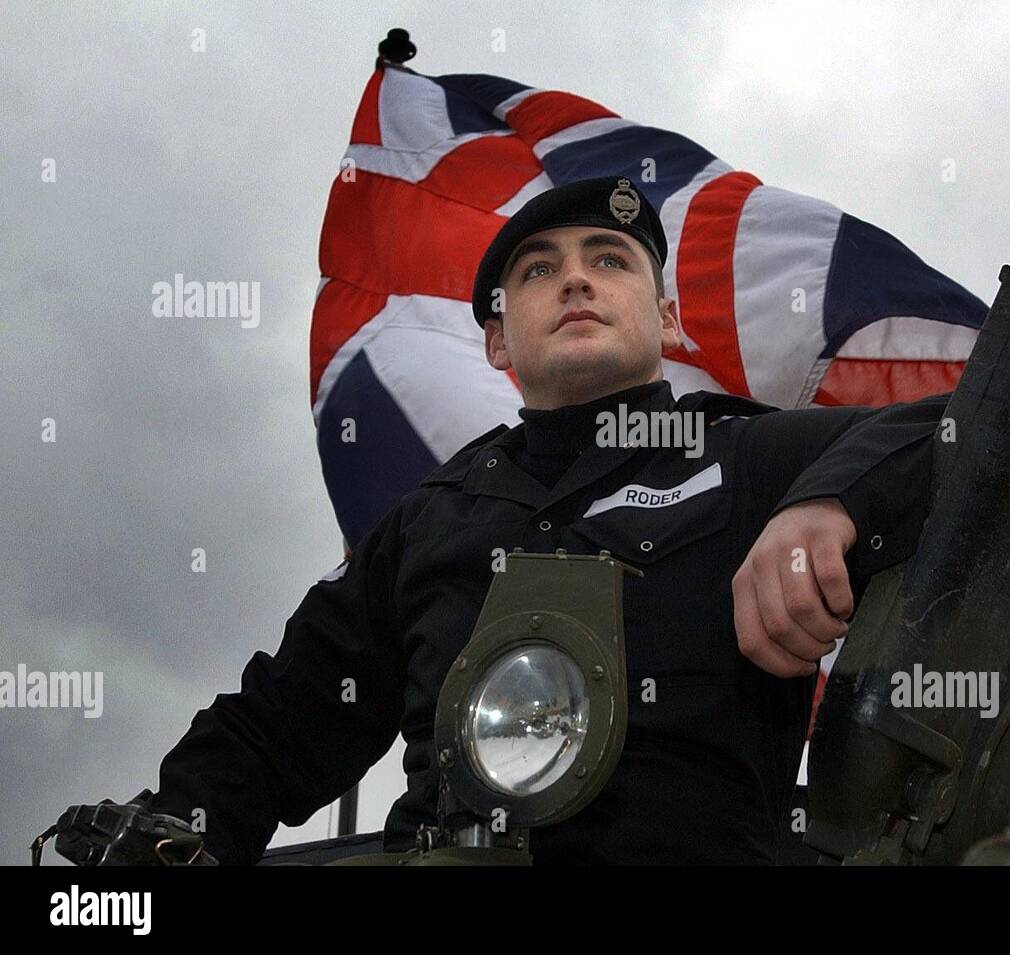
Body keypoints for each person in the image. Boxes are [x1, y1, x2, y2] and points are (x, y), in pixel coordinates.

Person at [149, 175, 953, 864]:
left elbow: (966, 431)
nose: (576, 281)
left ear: (667, 320)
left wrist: (828, 500)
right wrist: (154, 841)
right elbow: (271, 730)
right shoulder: (425, 523)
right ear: (499, 341)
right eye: (539, 270)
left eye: (609, 260)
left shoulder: (748, 459)